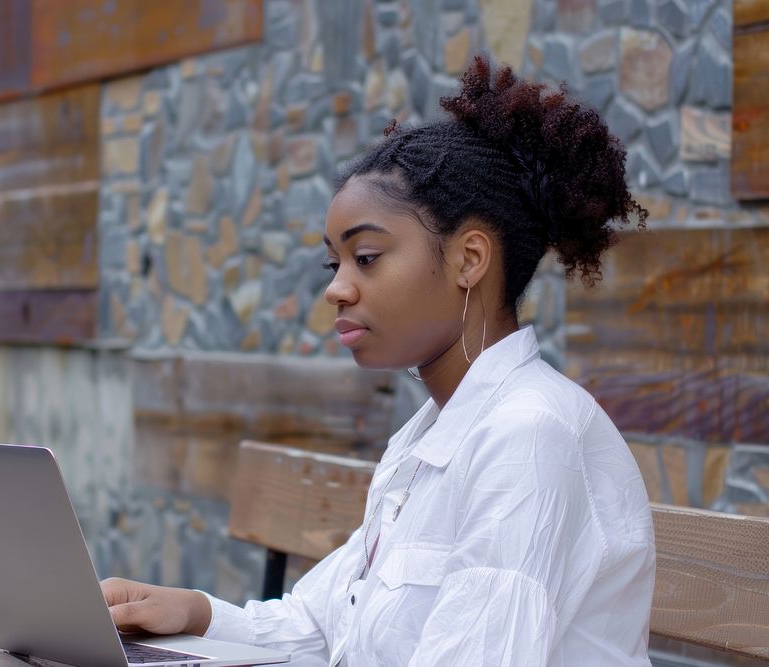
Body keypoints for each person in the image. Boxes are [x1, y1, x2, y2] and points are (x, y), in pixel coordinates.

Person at [102, 56, 655, 666]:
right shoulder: (428, 439)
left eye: (365, 257)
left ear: (470, 259)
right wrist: (191, 612)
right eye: (333, 263)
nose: (336, 289)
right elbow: (321, 626)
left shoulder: (528, 436)